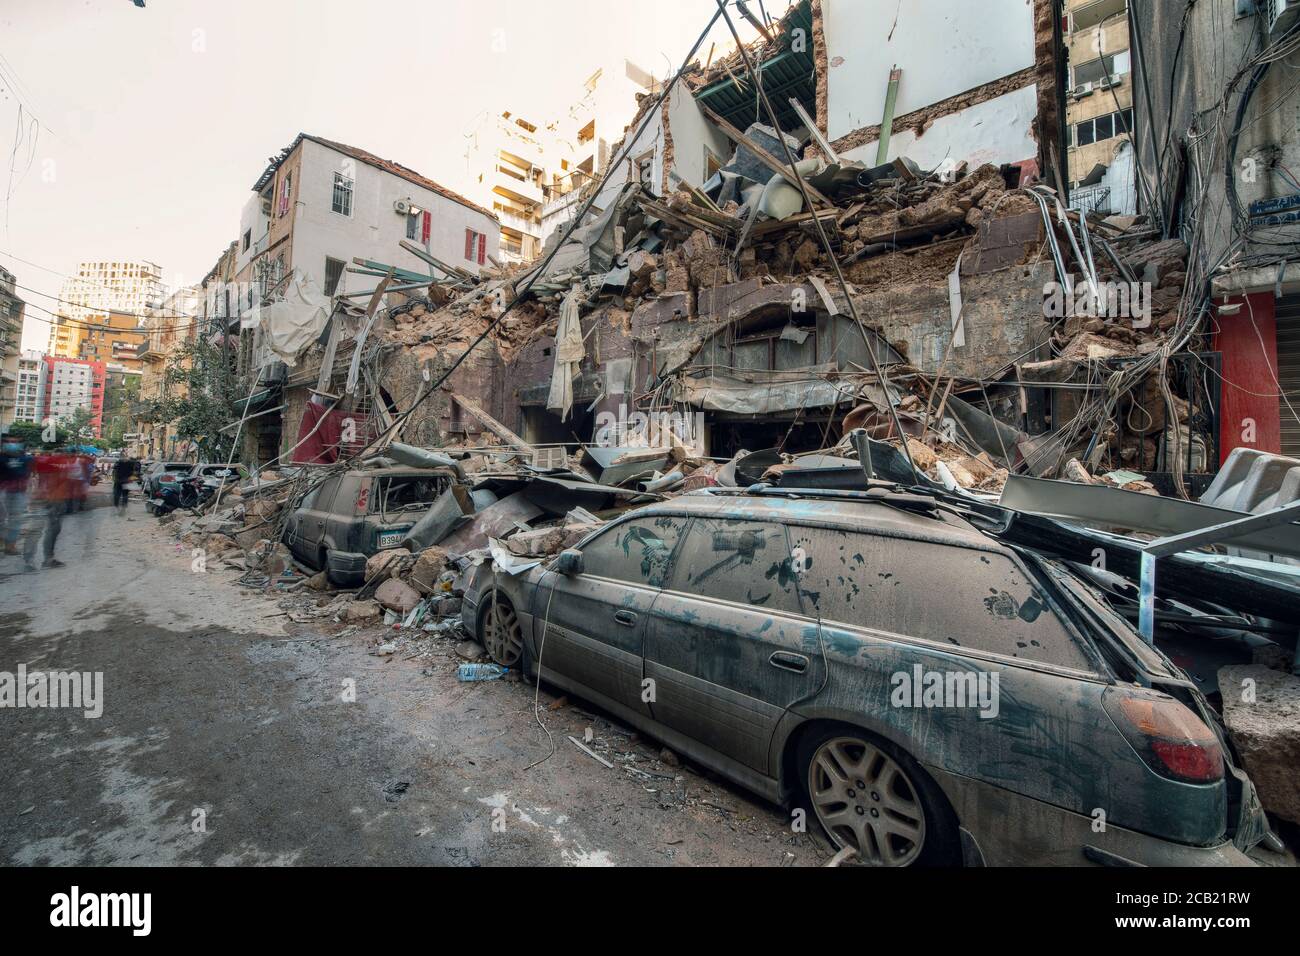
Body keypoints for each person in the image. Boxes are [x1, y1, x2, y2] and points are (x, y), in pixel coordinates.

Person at [23, 448, 76, 570]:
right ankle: (32, 560)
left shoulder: (64, 464)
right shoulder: (44, 462)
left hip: (55, 500)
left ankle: (44, 559)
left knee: (50, 530)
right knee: (39, 530)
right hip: (45, 500)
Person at [0, 433, 34, 555]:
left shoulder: (25, 458)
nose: (12, 444)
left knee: (16, 520)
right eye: (9, 441)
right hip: (2, 492)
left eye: (15, 441)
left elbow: (29, 474)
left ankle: (10, 546)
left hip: (18, 493)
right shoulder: (1, 458)